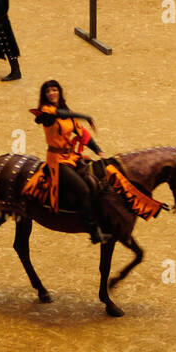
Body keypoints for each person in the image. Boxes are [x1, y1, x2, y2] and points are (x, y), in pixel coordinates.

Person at [21, 79, 109, 244]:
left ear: (59, 92)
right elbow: (60, 115)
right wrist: (85, 116)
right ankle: (93, 231)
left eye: (54, 90)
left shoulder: (65, 110)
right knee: (82, 189)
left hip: (71, 157)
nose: (52, 93)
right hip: (57, 161)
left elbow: (81, 133)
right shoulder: (46, 111)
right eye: (48, 91)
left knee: (95, 182)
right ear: (44, 96)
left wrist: (99, 151)